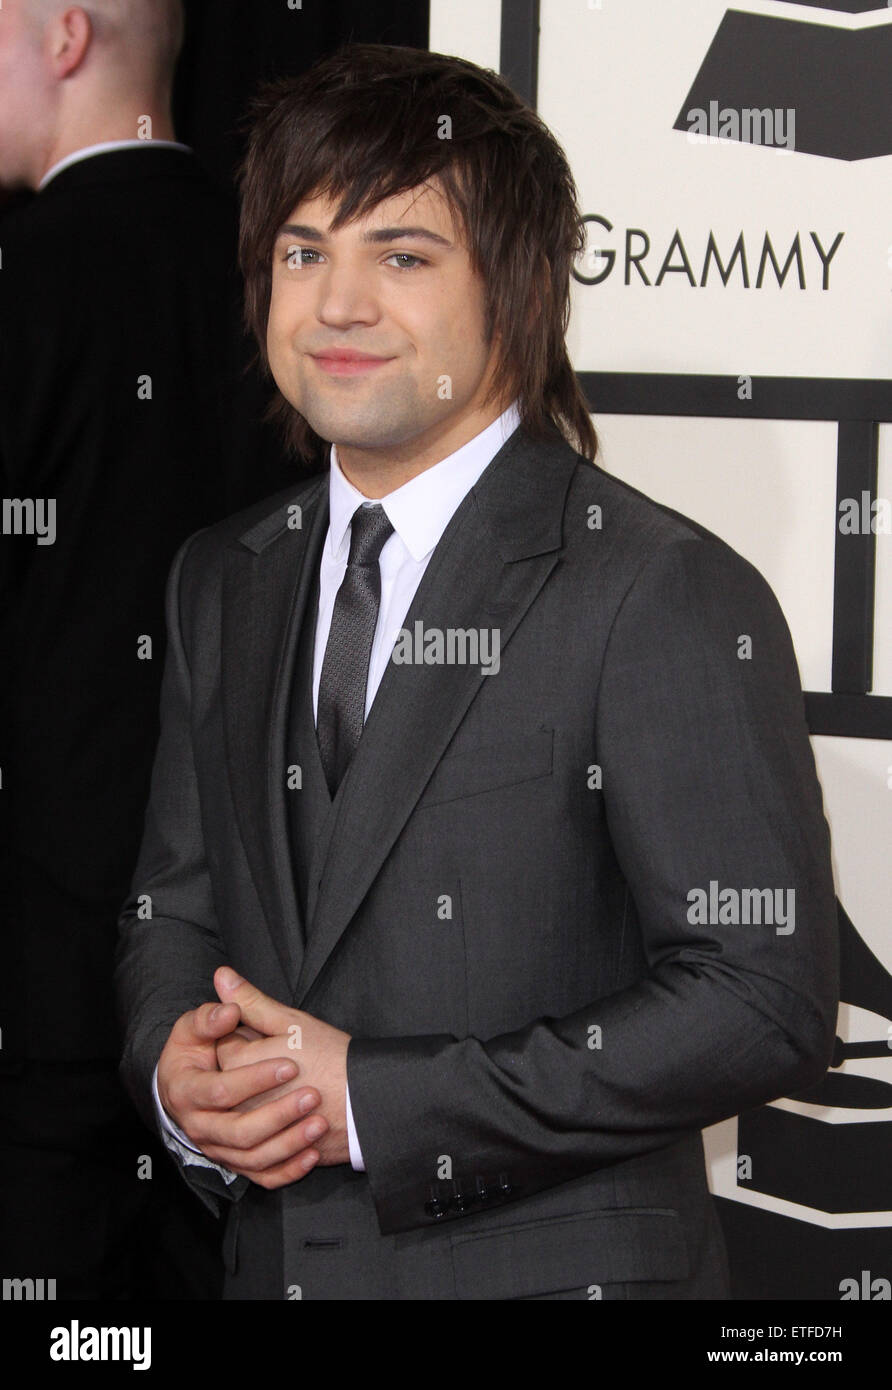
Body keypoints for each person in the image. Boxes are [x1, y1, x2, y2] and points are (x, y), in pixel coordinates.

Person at [115, 43, 839, 1300]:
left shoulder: (655, 587)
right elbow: (173, 911)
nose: (336, 304)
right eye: (302, 252)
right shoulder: (223, 575)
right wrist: (176, 1073)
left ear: (515, 287)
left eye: (400, 256)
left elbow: (759, 994)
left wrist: (377, 1104)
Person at [0, 0, 295, 1299]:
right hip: (260, 981)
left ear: (65, 34)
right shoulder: (287, 290)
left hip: (40, 983)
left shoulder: (28, 283)